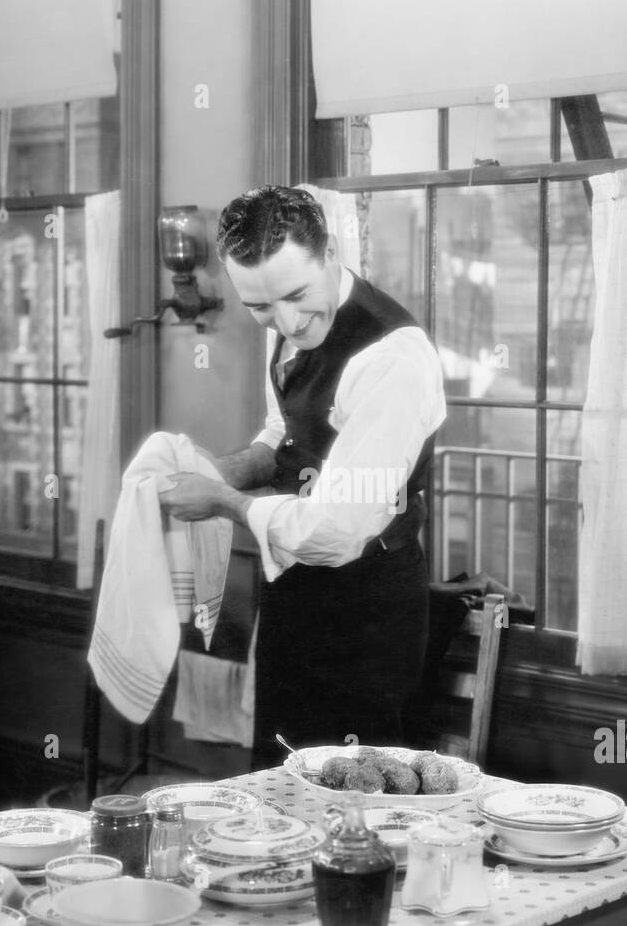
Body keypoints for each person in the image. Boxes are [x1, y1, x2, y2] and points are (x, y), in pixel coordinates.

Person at [158, 185, 446, 767]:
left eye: (296, 295)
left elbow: (335, 530)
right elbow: (283, 433)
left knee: (356, 808)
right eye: (261, 307)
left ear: (331, 252)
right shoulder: (288, 315)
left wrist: (220, 500)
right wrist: (225, 469)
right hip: (292, 591)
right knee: (280, 777)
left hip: (367, 604)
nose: (286, 321)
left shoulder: (391, 359)